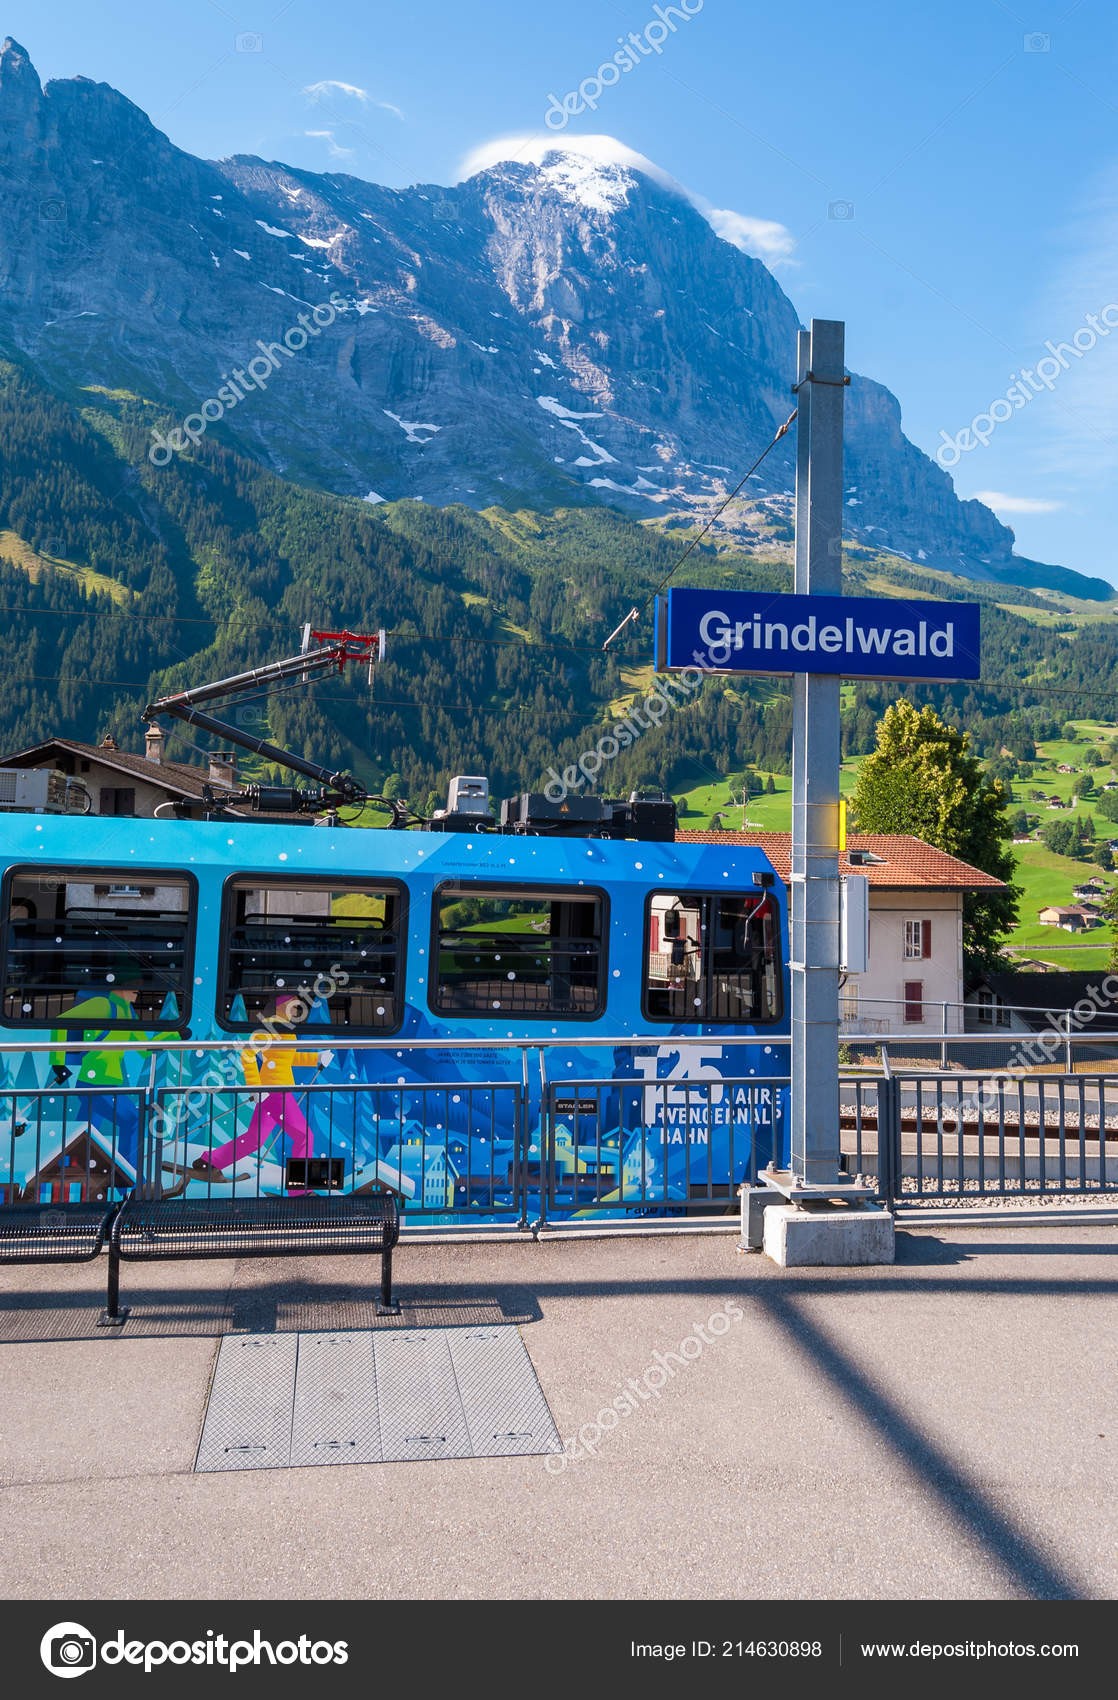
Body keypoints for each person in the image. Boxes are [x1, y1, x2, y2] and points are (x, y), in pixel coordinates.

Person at [199, 992, 333, 1192]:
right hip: (276, 1092)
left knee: (254, 1139)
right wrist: (256, 1086)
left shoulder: (286, 1029)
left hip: (275, 1091)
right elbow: (247, 1054)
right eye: (294, 1006)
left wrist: (316, 1059)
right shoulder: (269, 1027)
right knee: (305, 1136)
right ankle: (299, 1190)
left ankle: (210, 1162)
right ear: (281, 1006)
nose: (297, 1010)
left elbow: (289, 1059)